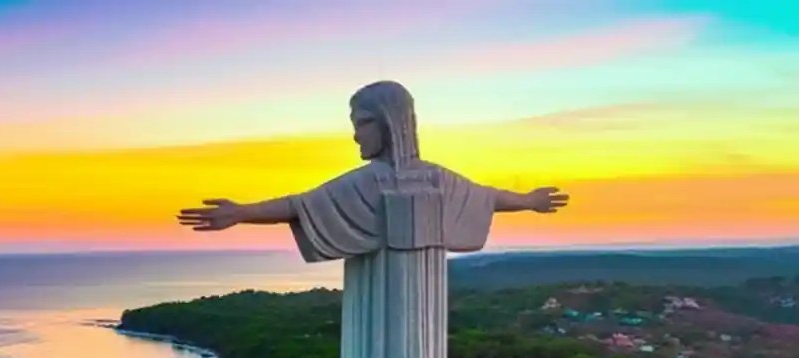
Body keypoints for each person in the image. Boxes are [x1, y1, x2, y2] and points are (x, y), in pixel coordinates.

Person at [177, 81, 568, 260]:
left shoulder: (434, 177)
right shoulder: (367, 181)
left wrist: (530, 201)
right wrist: (242, 212)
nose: (354, 134)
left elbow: (485, 196)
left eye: (361, 123)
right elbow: (301, 205)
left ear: (389, 122)